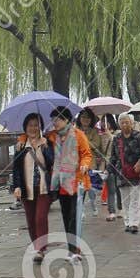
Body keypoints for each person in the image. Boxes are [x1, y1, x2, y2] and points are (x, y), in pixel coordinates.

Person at [10, 112, 55, 262]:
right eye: (30, 125)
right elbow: (16, 169)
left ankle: (41, 250)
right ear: (25, 127)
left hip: (43, 188)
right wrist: (16, 186)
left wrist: (45, 146)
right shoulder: (21, 146)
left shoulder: (47, 142)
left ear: (40, 127)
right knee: (30, 220)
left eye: (36, 125)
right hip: (26, 188)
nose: (33, 128)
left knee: (40, 218)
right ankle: (37, 247)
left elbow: (51, 162)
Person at [48, 105, 91, 258]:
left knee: (74, 215)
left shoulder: (78, 135)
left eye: (57, 119)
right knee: (66, 216)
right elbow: (34, 138)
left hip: (77, 182)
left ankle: (75, 249)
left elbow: (86, 154)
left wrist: (85, 164)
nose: (54, 123)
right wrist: (22, 139)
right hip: (60, 183)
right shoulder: (53, 136)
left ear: (66, 120)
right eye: (53, 120)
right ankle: (72, 247)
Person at [113, 114, 140, 233]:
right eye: (122, 122)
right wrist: (109, 169)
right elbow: (113, 156)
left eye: (127, 122)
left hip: (136, 172)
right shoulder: (116, 138)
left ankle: (134, 223)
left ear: (132, 123)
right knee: (125, 199)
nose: (124, 124)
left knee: (135, 199)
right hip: (121, 172)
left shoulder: (139, 136)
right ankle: (127, 222)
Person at [77, 108, 107, 219]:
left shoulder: (94, 131)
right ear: (79, 118)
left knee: (90, 188)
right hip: (78, 163)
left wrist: (83, 141)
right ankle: (81, 209)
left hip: (91, 163)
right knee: (80, 187)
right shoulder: (75, 130)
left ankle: (93, 206)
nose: (85, 119)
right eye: (83, 117)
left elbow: (96, 145)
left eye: (88, 117)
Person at [102, 114, 122, 221]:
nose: (105, 124)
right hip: (107, 165)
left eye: (107, 121)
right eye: (103, 121)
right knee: (111, 189)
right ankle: (111, 211)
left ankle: (120, 208)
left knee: (119, 188)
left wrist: (110, 136)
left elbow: (120, 146)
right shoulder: (102, 135)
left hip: (117, 165)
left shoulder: (118, 133)